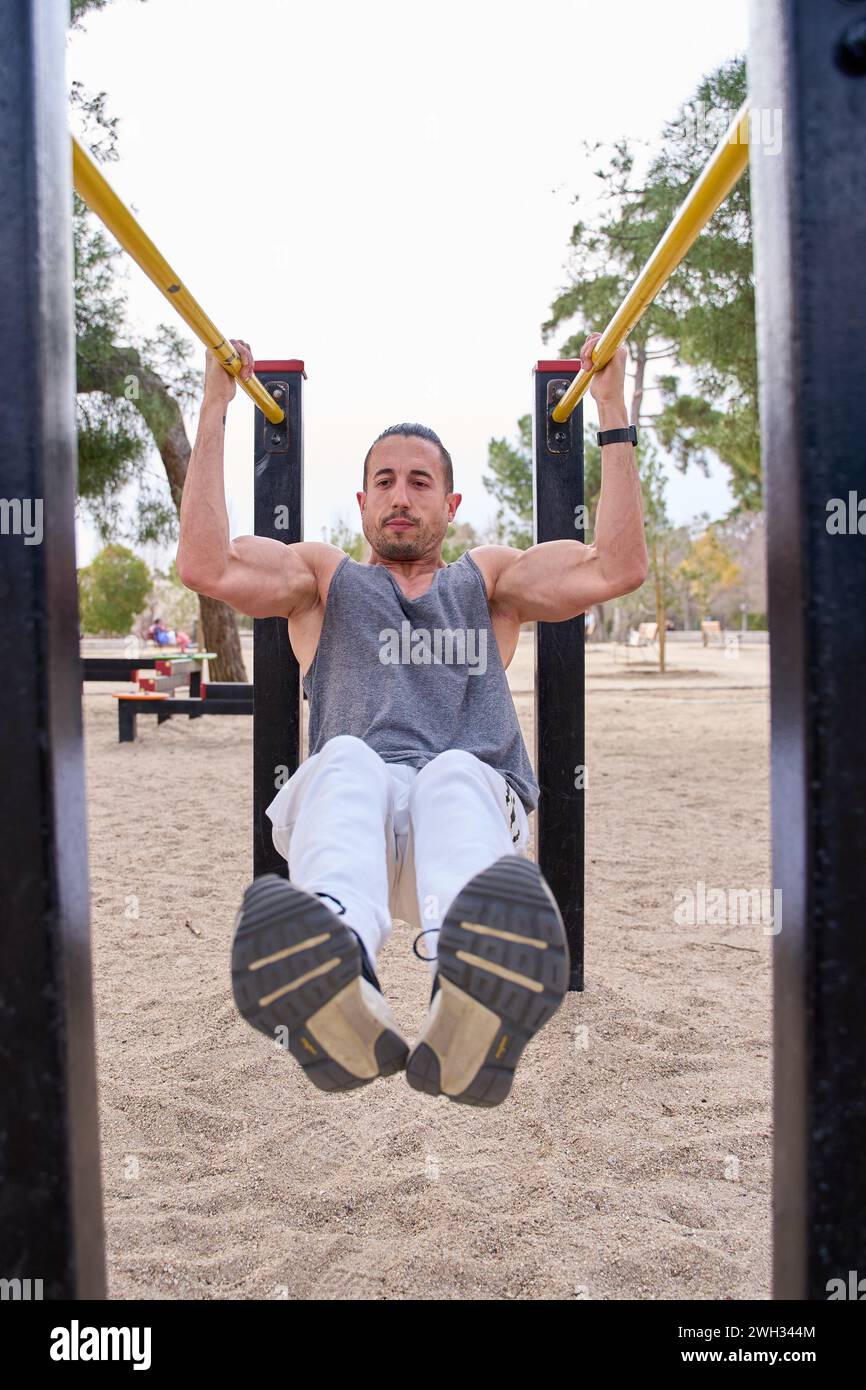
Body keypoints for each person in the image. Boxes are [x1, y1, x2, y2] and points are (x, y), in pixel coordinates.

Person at [177, 335, 648, 1107]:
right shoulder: (323, 580)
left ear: (449, 504)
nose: (402, 495)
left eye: (420, 482)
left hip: (459, 834)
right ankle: (338, 973)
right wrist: (215, 407)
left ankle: (472, 987)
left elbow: (616, 567)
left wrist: (611, 410)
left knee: (457, 770)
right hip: (349, 830)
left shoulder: (487, 580)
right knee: (349, 762)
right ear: (361, 501)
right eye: (385, 482)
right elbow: (206, 566)